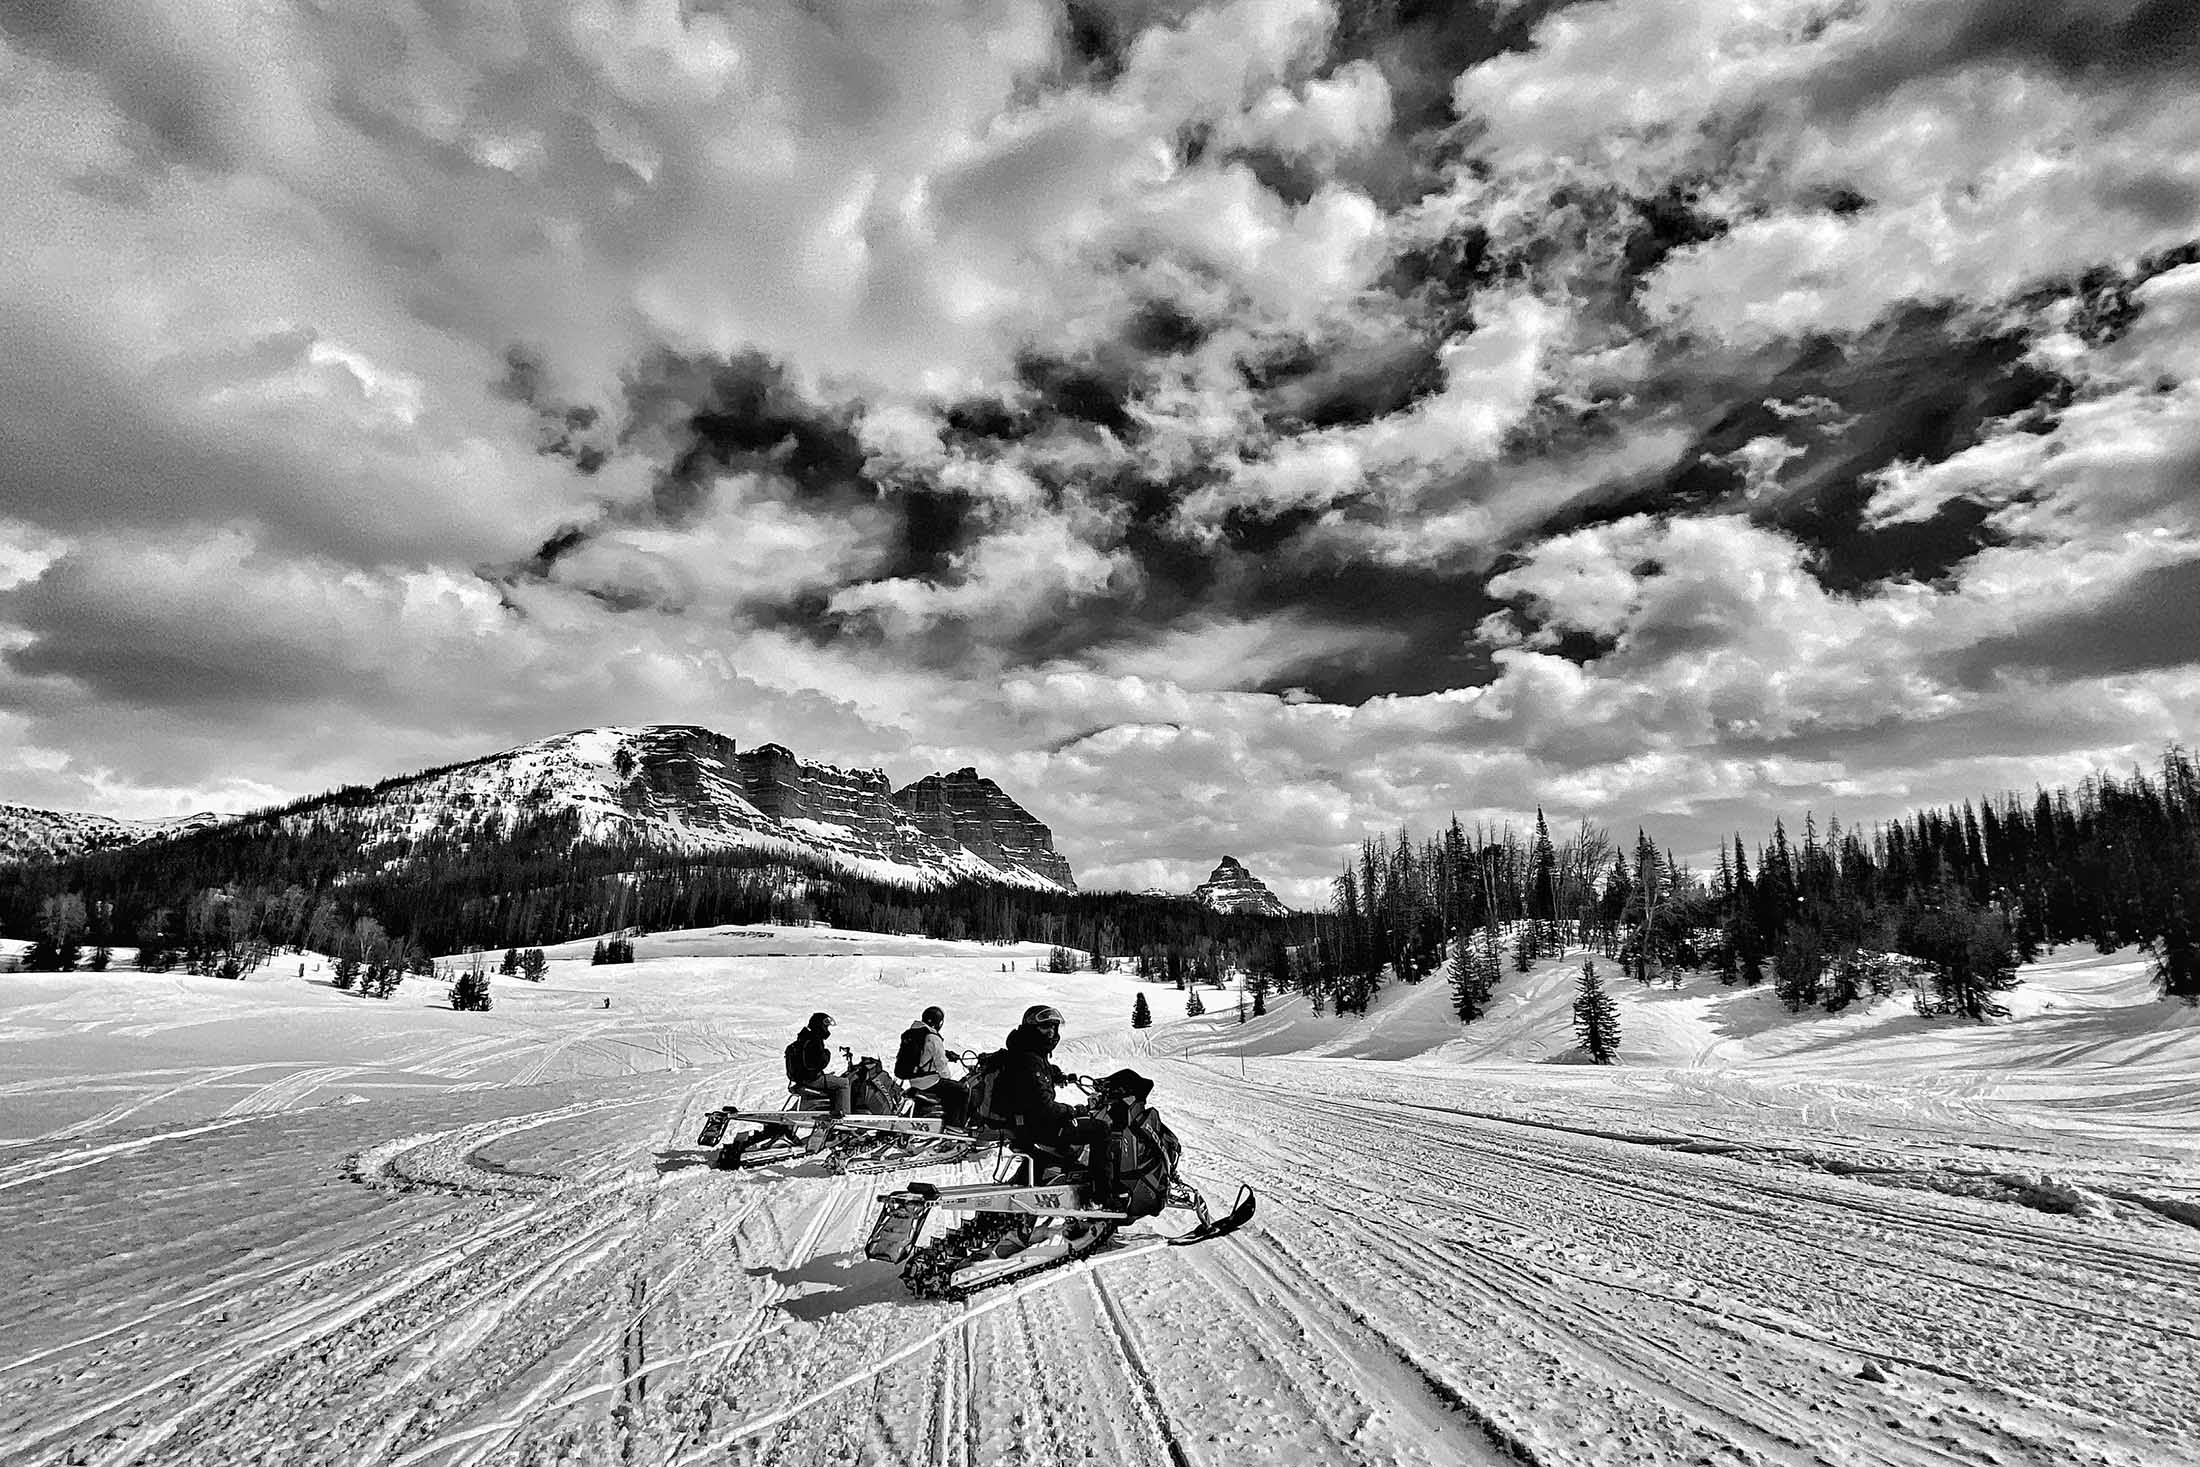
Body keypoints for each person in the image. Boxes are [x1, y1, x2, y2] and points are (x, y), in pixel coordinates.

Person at [900, 1005, 970, 1128]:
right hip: (928, 1082)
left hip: (914, 1081)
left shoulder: (914, 1033)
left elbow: (925, 1053)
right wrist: (947, 1079)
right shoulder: (933, 1037)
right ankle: (955, 1126)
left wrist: (946, 1053)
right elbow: (941, 1064)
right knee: (962, 1090)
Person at [785, 1011, 852, 1118]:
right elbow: (819, 1062)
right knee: (844, 1083)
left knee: (832, 1079)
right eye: (826, 1026)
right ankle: (844, 1116)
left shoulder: (803, 1038)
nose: (827, 1030)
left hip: (802, 1079)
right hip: (812, 1080)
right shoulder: (814, 1040)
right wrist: (827, 1054)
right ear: (820, 1025)